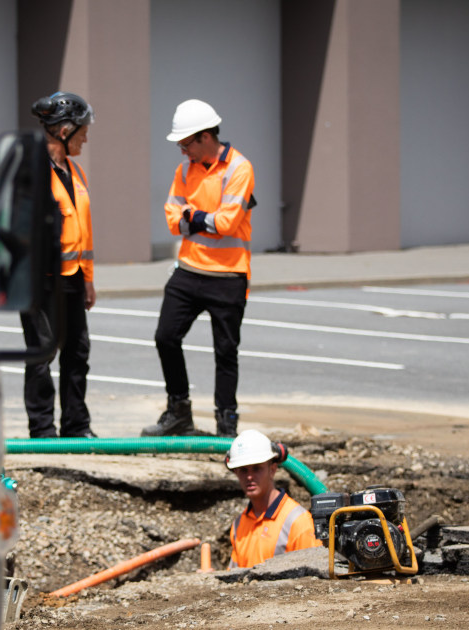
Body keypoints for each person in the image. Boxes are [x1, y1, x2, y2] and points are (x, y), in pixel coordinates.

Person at [141, 99, 255, 438]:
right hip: (188, 271)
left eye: (185, 143)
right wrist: (200, 219)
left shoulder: (239, 168)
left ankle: (226, 422)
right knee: (165, 337)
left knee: (225, 351)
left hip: (229, 275)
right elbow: (173, 220)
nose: (182, 151)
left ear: (205, 137)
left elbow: (228, 223)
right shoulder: (185, 170)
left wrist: (194, 217)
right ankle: (179, 411)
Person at [21, 91, 98, 439]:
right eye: (82, 130)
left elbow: (82, 229)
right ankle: (42, 431)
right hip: (41, 280)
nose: (86, 137)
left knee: (77, 353)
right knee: (42, 354)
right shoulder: (32, 170)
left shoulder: (75, 171)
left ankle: (76, 427)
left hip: (72, 278)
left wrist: (88, 279)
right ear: (64, 131)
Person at [224, 429, 319, 569]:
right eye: (243, 470)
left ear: (272, 469)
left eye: (256, 469)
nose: (249, 477)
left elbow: (313, 580)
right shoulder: (239, 525)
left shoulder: (298, 522)